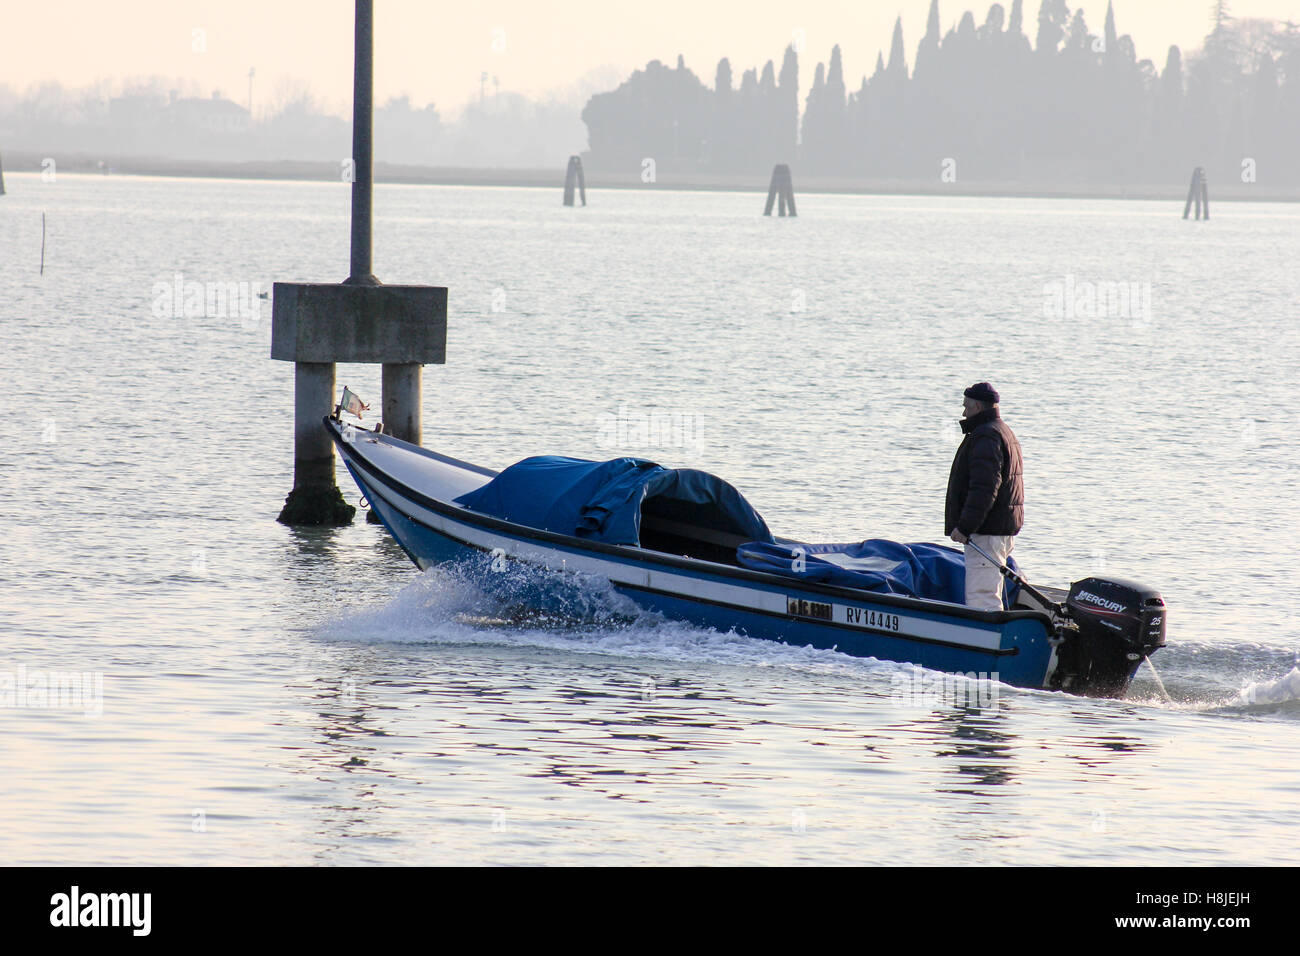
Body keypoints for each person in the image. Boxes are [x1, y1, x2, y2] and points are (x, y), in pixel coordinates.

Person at [945, 382, 1024, 609]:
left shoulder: (986, 436)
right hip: (998, 529)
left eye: (966, 407)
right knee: (989, 591)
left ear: (978, 407)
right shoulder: (1002, 431)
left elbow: (985, 488)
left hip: (986, 531)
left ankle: (985, 643)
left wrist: (965, 527)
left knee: (982, 596)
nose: (963, 413)